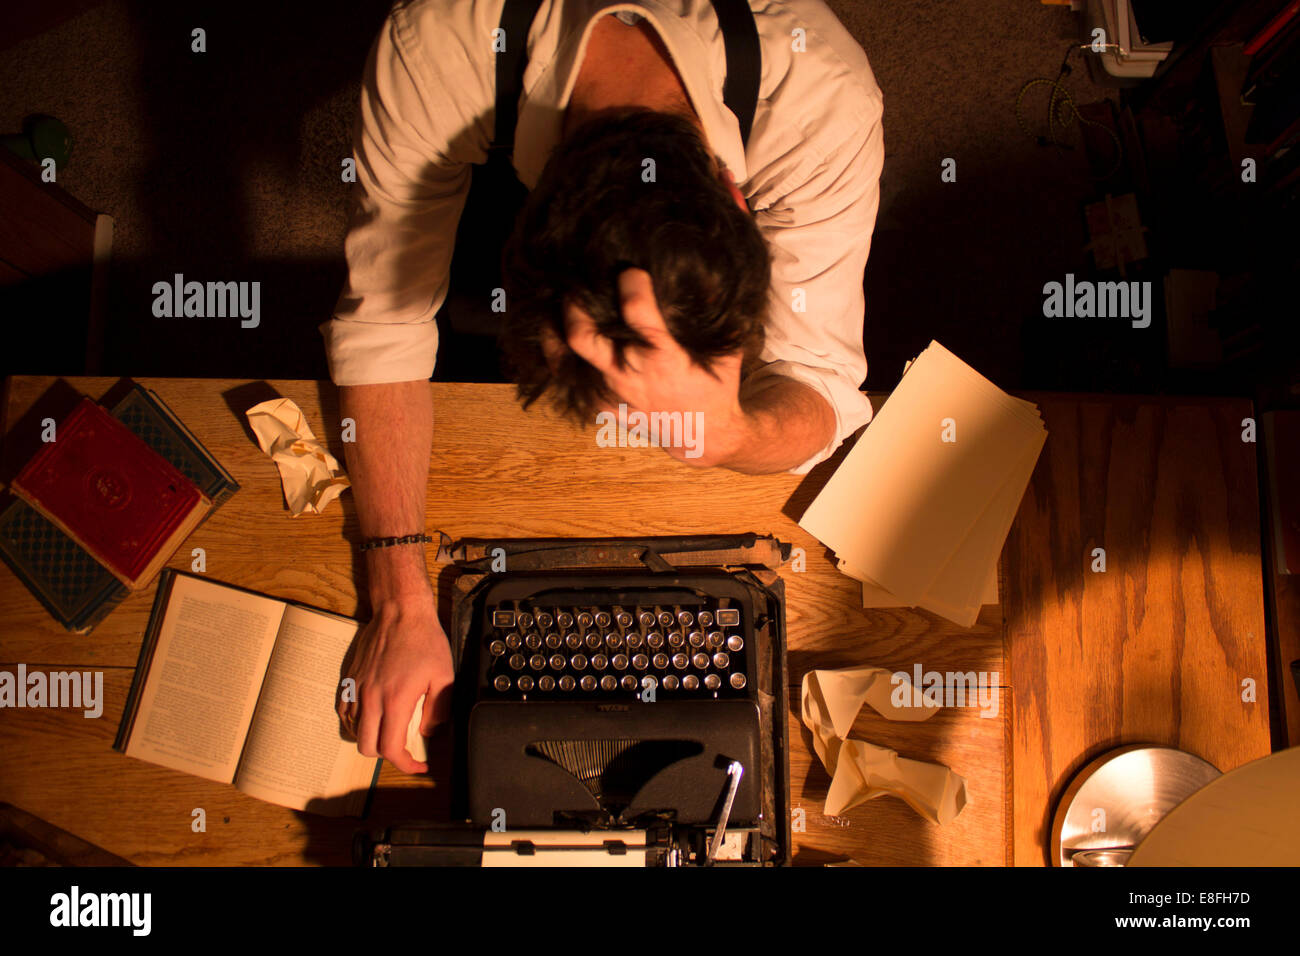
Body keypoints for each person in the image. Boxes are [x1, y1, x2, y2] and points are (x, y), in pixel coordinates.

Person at [322, 0, 884, 773]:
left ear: (744, 202)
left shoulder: (823, 101)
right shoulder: (439, 41)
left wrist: (730, 433)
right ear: (518, 219)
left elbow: (822, 380)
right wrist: (397, 594)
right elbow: (384, 326)